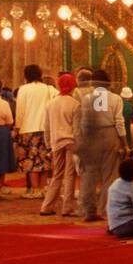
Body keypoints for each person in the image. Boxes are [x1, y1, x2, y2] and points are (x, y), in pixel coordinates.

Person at [74, 70, 127, 221]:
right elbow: (119, 122)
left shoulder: (86, 99)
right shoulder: (116, 98)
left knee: (89, 175)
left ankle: (88, 210)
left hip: (91, 135)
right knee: (109, 175)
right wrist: (124, 143)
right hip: (110, 134)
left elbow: (82, 122)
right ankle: (105, 209)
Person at [13, 64, 56, 199]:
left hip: (28, 128)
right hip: (45, 128)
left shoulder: (23, 89)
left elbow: (20, 111)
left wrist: (17, 128)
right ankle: (43, 189)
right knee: (44, 161)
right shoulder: (48, 89)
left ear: (25, 75)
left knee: (31, 161)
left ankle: (35, 189)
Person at [40, 73, 79, 217]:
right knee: (70, 175)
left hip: (56, 142)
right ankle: (67, 207)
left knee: (57, 175)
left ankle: (46, 206)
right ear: (73, 85)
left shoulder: (51, 103)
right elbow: (77, 129)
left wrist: (48, 145)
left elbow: (47, 127)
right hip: (71, 142)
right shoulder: (75, 104)